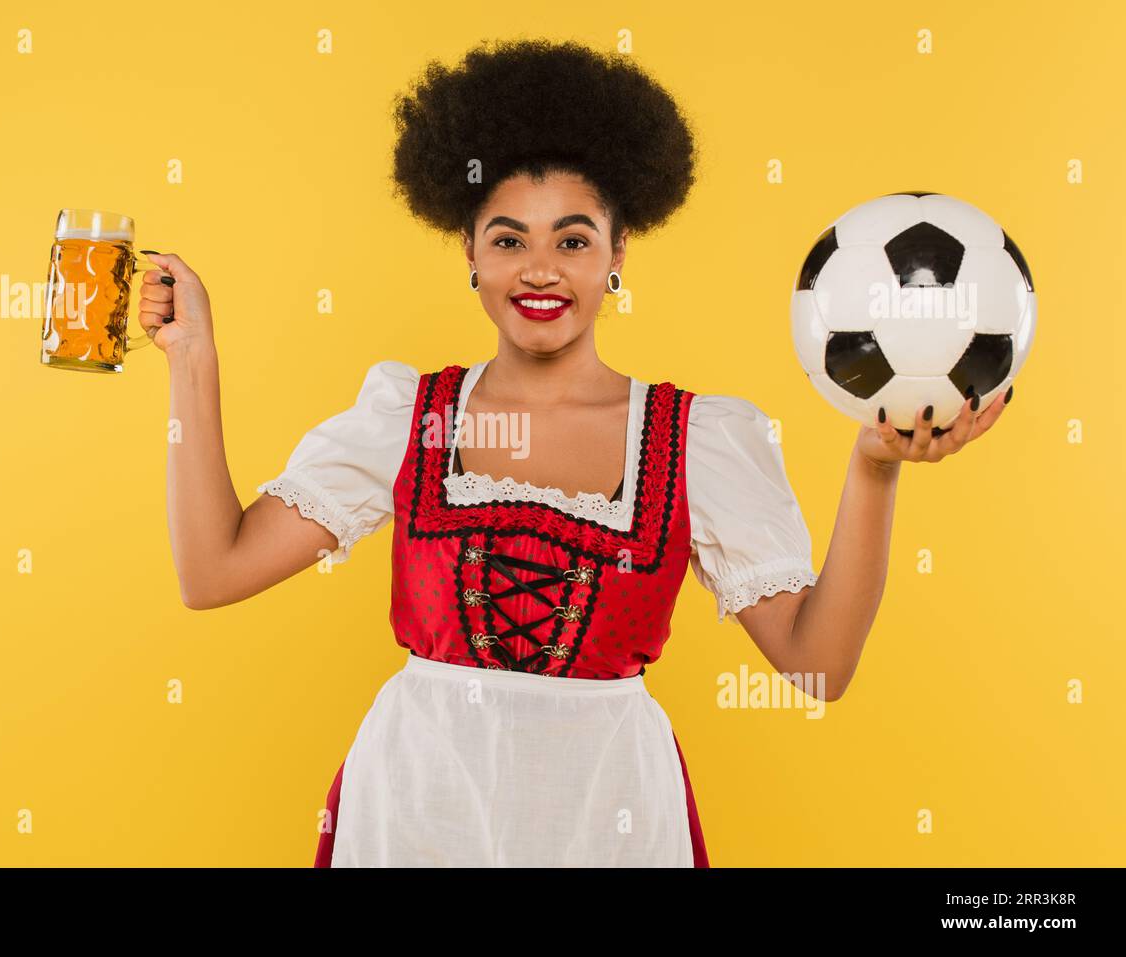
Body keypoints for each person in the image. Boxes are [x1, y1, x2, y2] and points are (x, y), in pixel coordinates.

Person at [134, 39, 1011, 867]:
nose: (541, 270)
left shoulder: (696, 438)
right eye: (509, 239)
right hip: (418, 813)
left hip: (609, 818)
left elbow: (817, 667)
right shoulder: (411, 416)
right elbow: (212, 570)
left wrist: (873, 467)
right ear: (470, 254)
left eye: (575, 240)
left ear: (619, 253)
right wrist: (193, 358)